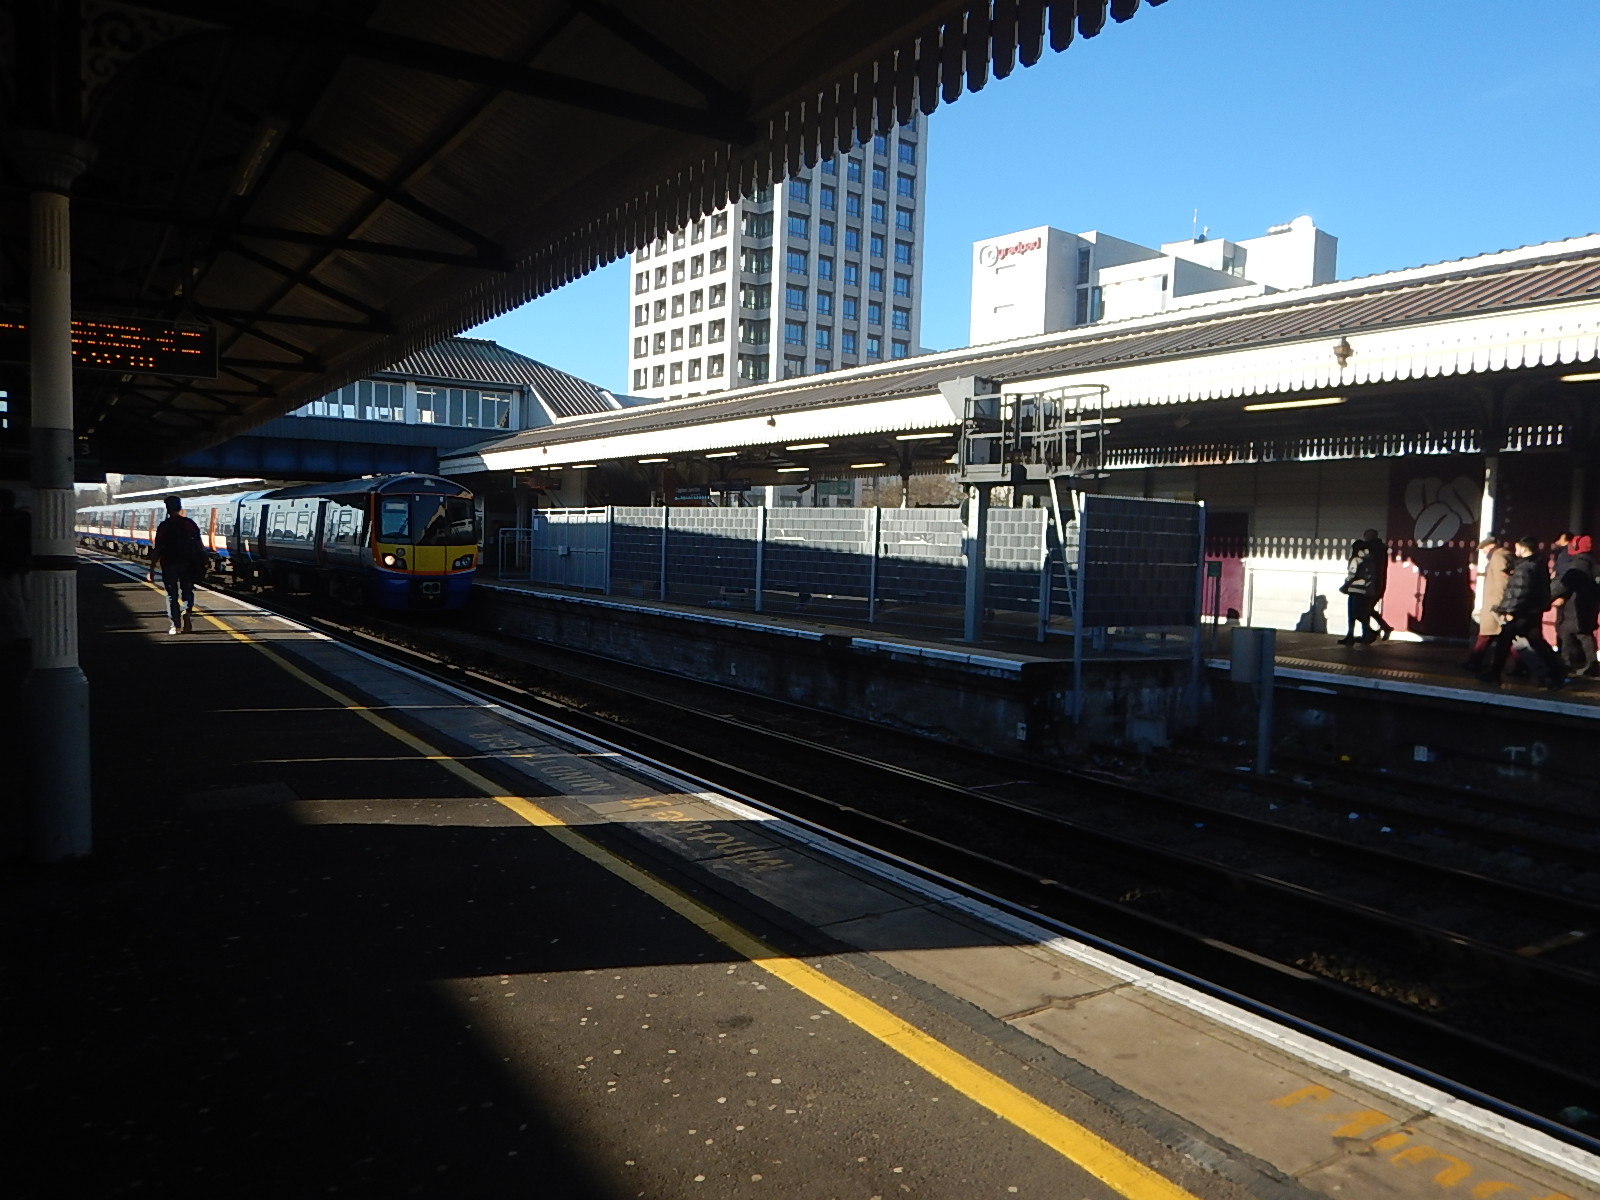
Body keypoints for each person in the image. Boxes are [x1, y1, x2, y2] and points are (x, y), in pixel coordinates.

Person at [1480, 536, 1565, 689]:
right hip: (1532, 610)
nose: (1516, 550)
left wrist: (1508, 610)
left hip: (1521, 612)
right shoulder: (1537, 564)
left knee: (1503, 641)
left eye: (1517, 547)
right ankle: (1557, 671)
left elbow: (1520, 592)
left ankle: (1494, 673)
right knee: (1536, 642)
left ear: (1524, 548)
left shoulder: (1524, 568)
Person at [148, 495, 206, 634]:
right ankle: (186, 612)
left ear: (167, 509)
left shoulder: (164, 526)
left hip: (169, 564)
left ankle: (175, 625)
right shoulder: (190, 524)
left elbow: (158, 548)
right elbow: (200, 545)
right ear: (180, 507)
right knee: (187, 591)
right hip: (188, 564)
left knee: (171, 595)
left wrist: (152, 568)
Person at [1551, 533, 1600, 677]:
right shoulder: (1594, 565)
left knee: (1566, 631)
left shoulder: (1577, 566)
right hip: (1590, 605)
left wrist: (1546, 596)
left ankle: (1566, 663)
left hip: (1575, 605)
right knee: (1584, 633)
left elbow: (1562, 585)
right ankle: (1591, 663)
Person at [1463, 534, 1513, 671]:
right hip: (1496, 603)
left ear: (1490, 546)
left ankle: (1475, 662)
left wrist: (1503, 605)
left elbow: (1502, 583)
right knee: (1497, 636)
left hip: (1495, 604)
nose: (1484, 552)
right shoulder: (1502, 556)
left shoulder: (1498, 557)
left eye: (1484, 549)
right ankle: (1475, 661)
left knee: (1488, 635)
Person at [0, 488, 30, 672]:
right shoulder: (23, 519)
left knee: (14, 602)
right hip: (20, 567)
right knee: (23, 602)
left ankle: (22, 637)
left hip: (9, 568)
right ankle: (24, 635)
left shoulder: (9, 522)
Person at [1336, 533, 1382, 645]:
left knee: (1352, 616)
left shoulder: (1356, 560)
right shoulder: (1370, 560)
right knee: (1363, 614)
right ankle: (1366, 634)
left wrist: (1345, 585)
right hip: (1366, 591)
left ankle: (1352, 636)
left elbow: (1352, 575)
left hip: (1355, 590)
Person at [1359, 528, 1393, 639]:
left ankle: (1370, 632)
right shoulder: (1380, 548)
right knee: (1367, 608)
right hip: (1377, 583)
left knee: (1364, 608)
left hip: (1373, 584)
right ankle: (1378, 629)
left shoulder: (1374, 549)